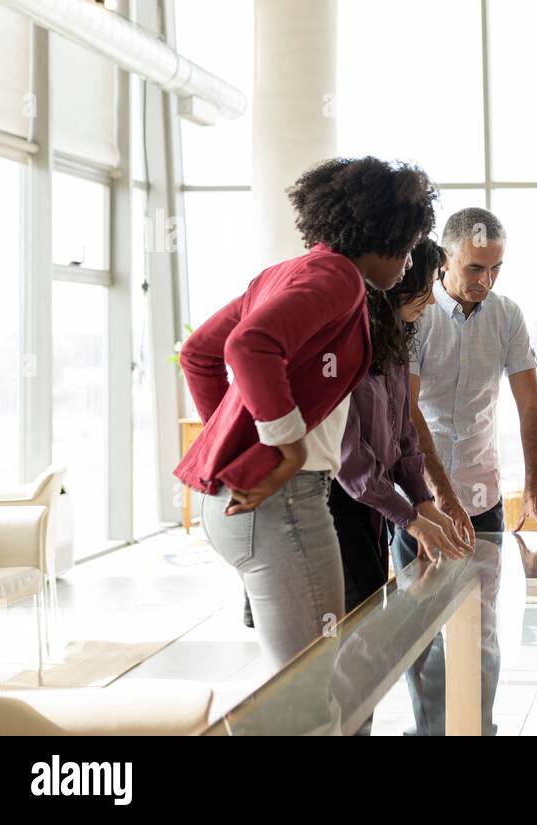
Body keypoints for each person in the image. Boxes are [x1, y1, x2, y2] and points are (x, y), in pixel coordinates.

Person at [178, 156, 435, 672]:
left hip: (239, 509)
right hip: (286, 505)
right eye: (406, 250)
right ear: (381, 236)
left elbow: (200, 353)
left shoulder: (285, 272)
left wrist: (243, 446)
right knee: (313, 692)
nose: (409, 264)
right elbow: (248, 347)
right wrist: (283, 445)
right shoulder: (340, 278)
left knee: (300, 687)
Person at [399, 206, 537, 550]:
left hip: (483, 495)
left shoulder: (506, 315)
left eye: (496, 268)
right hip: (422, 497)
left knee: (486, 604)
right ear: (444, 259)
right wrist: (442, 495)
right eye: (475, 268)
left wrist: (534, 487)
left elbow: (530, 404)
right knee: (421, 602)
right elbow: (407, 408)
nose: (486, 281)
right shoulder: (417, 312)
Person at [329, 239, 472, 616]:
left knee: (369, 616)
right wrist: (410, 518)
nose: (430, 301)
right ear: (398, 285)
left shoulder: (394, 345)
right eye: (426, 288)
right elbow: (351, 461)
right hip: (336, 505)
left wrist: (424, 504)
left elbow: (404, 436)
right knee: (351, 624)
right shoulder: (348, 347)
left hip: (372, 505)